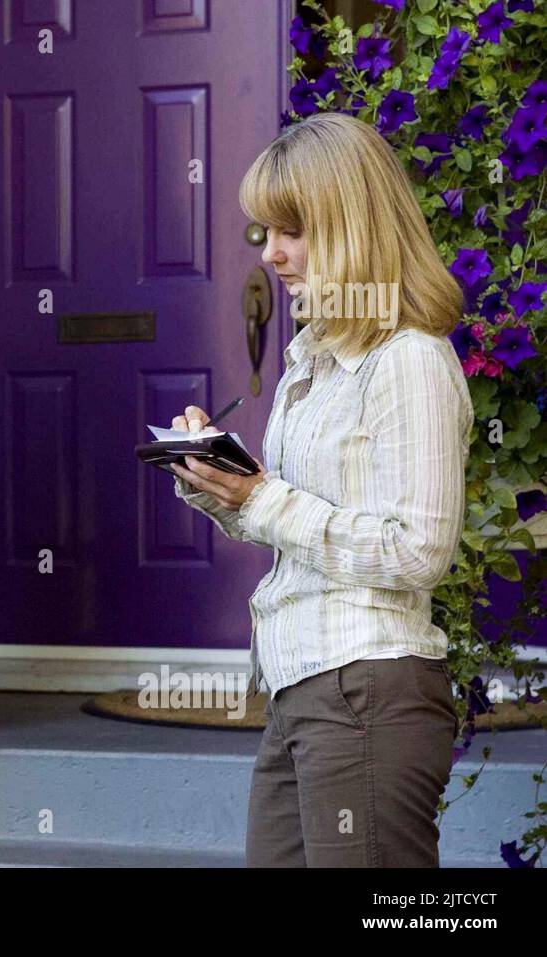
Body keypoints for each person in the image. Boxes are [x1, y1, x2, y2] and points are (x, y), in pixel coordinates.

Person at [170, 112, 471, 866]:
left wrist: (263, 500)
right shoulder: (313, 359)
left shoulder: (409, 361)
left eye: (291, 230)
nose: (270, 253)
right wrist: (220, 482)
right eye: (265, 231)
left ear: (351, 225)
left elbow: (418, 550)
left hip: (366, 687)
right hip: (300, 684)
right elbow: (294, 518)